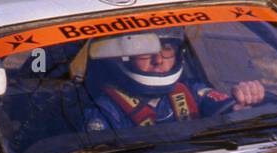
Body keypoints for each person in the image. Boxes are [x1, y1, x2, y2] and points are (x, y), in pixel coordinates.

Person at [81, 32, 265, 130]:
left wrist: (246, 97)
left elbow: (227, 107)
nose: (158, 60)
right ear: (123, 57)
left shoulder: (192, 91)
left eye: (166, 49)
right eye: (144, 50)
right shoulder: (105, 110)